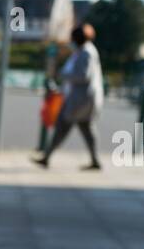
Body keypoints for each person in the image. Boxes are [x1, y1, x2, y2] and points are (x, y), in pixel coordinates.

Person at [33, 23, 104, 171]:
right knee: (86, 129)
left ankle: (47, 157)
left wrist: (63, 75)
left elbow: (83, 75)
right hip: (79, 98)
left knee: (62, 126)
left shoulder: (86, 53)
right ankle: (95, 160)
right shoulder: (82, 51)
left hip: (80, 100)